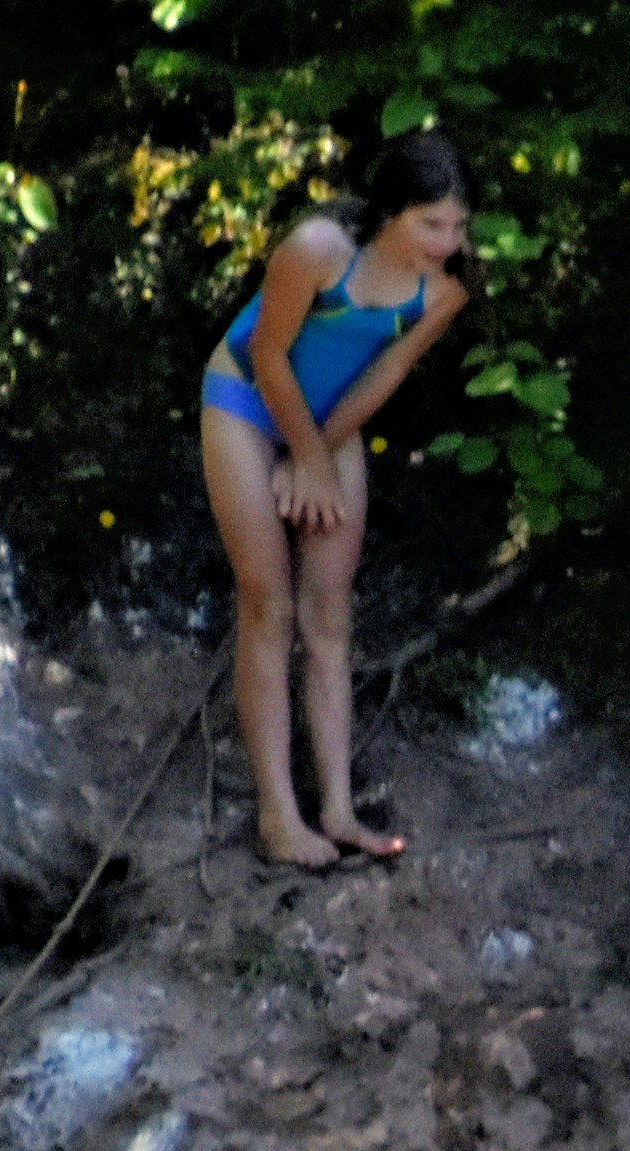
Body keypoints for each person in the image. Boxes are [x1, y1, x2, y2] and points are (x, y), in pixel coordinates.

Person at [200, 133, 473, 870]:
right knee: (268, 605)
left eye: (458, 226)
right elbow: (267, 353)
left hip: (330, 426)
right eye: (431, 224)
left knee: (329, 614)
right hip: (244, 404)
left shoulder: (446, 288)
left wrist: (318, 455)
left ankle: (339, 811)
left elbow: (387, 371)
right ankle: (278, 818)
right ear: (389, 213)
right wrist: (304, 458)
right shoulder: (318, 250)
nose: (447, 243)